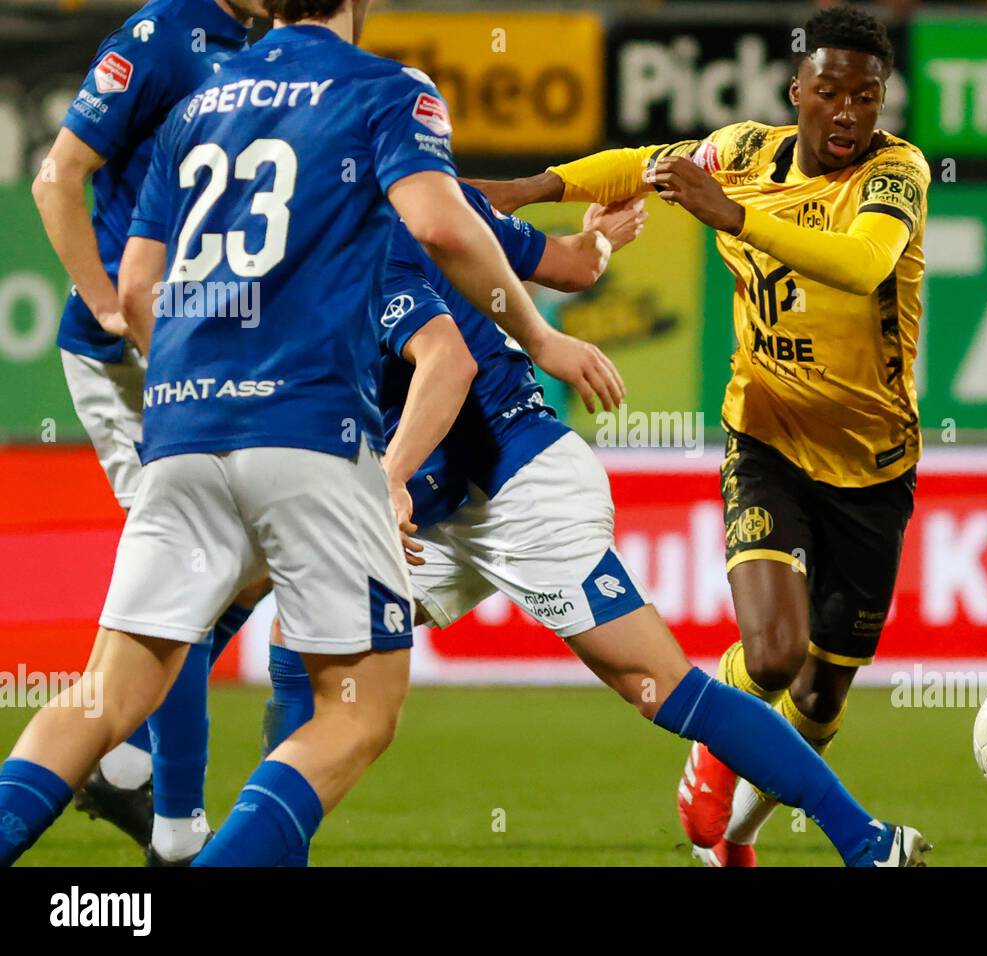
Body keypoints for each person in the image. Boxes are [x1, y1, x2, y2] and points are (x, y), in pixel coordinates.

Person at [0, 0, 620, 868]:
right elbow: (443, 224)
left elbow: (137, 285)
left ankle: (154, 824)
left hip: (181, 423)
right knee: (358, 711)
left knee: (105, 695)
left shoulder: (203, 99)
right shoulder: (386, 88)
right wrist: (542, 337)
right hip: (308, 429)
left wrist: (194, 378)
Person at [263, 180, 930, 868]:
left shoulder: (368, 242)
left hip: (523, 486)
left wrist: (389, 478)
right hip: (440, 503)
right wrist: (601, 239)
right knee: (301, 626)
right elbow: (576, 264)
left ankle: (866, 842)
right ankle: (273, 854)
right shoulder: (441, 206)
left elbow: (448, 364)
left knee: (662, 687)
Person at [470, 5, 928, 866]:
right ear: (796, 91)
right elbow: (641, 165)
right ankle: (716, 744)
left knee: (823, 697)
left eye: (866, 97)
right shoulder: (742, 153)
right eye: (829, 92)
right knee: (775, 653)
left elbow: (864, 262)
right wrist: (531, 190)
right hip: (767, 438)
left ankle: (732, 840)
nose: (847, 113)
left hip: (874, 465)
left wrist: (736, 218)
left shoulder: (895, 174)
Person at [30, 0, 273, 864]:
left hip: (207, 347)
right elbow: (57, 176)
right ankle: (178, 831)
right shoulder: (161, 36)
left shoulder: (264, 43)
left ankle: (126, 760)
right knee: (194, 570)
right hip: (129, 363)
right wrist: (107, 305)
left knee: (252, 560)